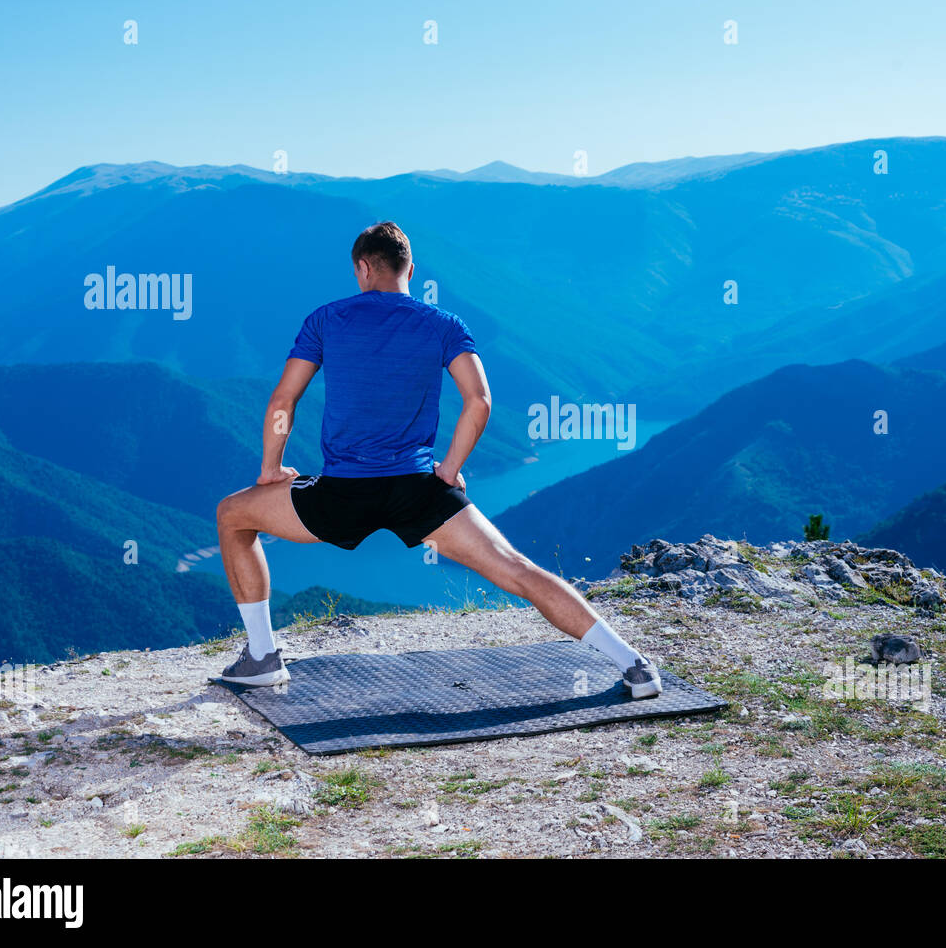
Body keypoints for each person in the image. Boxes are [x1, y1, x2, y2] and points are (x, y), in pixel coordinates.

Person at [214, 222, 662, 698]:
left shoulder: (326, 320)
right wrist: (449, 469)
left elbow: (283, 401)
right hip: (419, 488)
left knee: (232, 517)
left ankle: (262, 657)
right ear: (411, 269)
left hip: (342, 491)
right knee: (518, 570)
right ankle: (633, 664)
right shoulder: (444, 324)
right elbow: (480, 400)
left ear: (363, 267)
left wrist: (269, 468)